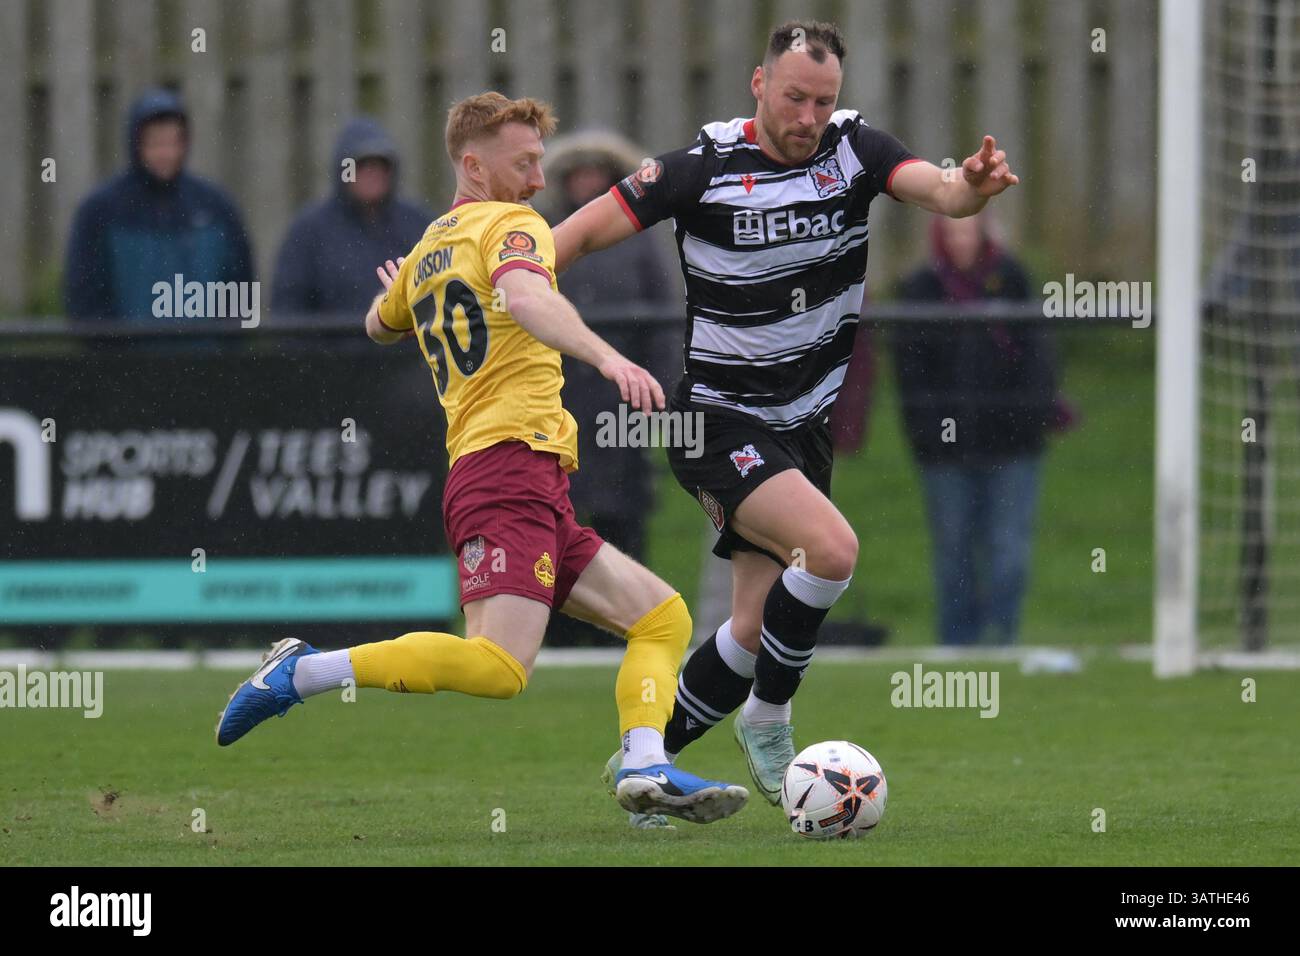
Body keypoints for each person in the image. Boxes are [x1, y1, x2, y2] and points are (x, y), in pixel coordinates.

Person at [215, 92, 748, 827]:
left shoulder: (433, 244)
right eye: (524, 162)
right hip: (506, 469)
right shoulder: (511, 225)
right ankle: (303, 671)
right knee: (499, 669)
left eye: (538, 162)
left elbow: (378, 324)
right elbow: (527, 298)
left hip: (528, 478)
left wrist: (404, 290)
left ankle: (645, 763)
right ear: (474, 163)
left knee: (660, 618)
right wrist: (604, 354)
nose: (536, 180)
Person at [554, 19, 1019, 808]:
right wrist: (502, 272)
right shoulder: (698, 168)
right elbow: (575, 235)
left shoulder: (854, 150)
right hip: (717, 421)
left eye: (823, 100)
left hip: (803, 425)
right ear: (759, 85)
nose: (808, 116)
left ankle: (648, 761)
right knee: (832, 551)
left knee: (749, 625)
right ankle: (769, 717)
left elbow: (942, 193)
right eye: (795, 97)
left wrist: (970, 185)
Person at [535, 131, 680, 646]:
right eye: (580, 175)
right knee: (556, 511)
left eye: (598, 175)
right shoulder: (547, 236)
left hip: (619, 400)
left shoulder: (638, 243)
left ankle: (625, 621)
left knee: (622, 510)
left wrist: (660, 391)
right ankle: (557, 628)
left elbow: (664, 320)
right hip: (559, 399)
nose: (588, 183)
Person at [892, 214, 1058, 645]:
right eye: (952, 232)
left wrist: (1026, 420)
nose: (961, 241)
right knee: (955, 552)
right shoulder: (921, 289)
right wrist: (929, 435)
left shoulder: (1012, 279)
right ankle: (958, 643)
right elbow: (910, 374)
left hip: (1012, 446)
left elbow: (1039, 359)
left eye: (968, 230)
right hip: (945, 453)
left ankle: (1003, 638)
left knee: (1008, 552)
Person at [64, 89, 253, 322]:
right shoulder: (99, 211)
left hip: (205, 357)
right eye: (155, 143)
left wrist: (221, 349)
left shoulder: (216, 207)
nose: (166, 153)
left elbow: (240, 288)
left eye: (174, 142)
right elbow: (84, 301)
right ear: (136, 142)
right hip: (125, 358)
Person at [271, 117, 432, 316]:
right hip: (330, 346)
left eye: (380, 164)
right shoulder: (308, 233)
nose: (371, 172)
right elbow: (288, 309)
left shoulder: (418, 225)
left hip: (402, 344)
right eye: (361, 165)